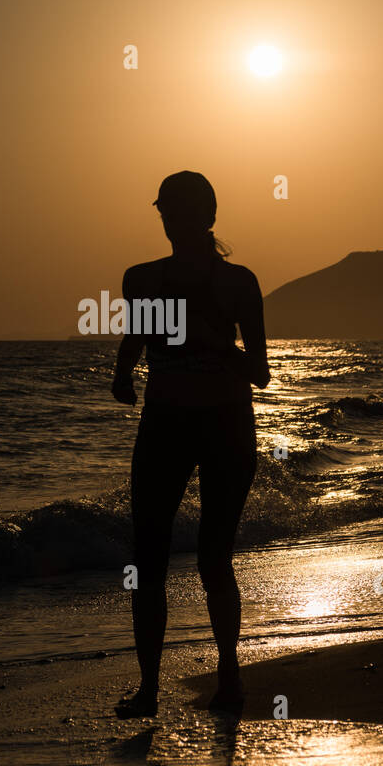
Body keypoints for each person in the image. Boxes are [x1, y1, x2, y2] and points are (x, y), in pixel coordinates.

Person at [111, 171, 270, 717]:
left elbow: (262, 373)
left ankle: (230, 677)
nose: (169, 222)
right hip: (164, 423)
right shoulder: (141, 277)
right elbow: (138, 334)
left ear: (207, 216)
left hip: (226, 422)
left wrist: (213, 346)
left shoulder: (239, 283)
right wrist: (122, 373)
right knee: (147, 557)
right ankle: (149, 690)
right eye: (165, 213)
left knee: (212, 558)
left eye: (177, 212)